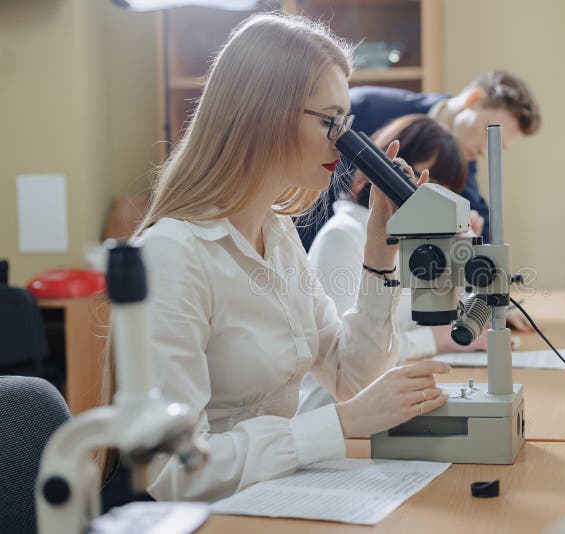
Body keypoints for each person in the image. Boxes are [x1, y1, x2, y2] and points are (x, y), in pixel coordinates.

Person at [125, 13, 452, 502]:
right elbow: (173, 470)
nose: (344, 143)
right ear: (263, 112)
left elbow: (350, 376)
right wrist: (342, 423)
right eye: (329, 122)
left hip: (277, 494)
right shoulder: (173, 254)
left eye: (347, 123)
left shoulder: (277, 237)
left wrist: (379, 252)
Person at [298, 114, 486, 413]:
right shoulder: (343, 237)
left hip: (388, 402)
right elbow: (349, 358)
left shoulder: (416, 239)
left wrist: (462, 239)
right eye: (432, 183)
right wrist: (434, 340)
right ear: (393, 171)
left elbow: (452, 308)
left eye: (448, 191)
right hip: (332, 412)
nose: (437, 198)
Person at [296, 70, 542, 249]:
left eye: (499, 147)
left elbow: (481, 224)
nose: (486, 152)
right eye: (490, 133)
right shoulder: (366, 107)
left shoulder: (465, 159)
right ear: (473, 100)